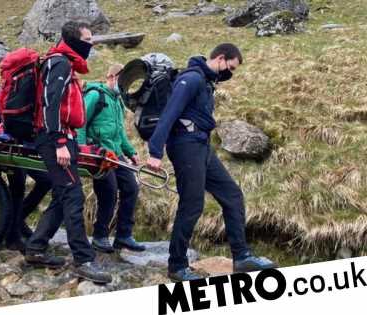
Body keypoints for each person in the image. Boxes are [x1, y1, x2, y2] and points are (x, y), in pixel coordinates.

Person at [145, 43, 276, 281]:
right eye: (231, 67)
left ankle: (242, 256)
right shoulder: (192, 79)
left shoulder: (206, 82)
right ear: (221, 59)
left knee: (232, 195)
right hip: (185, 147)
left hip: (202, 146)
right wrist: (155, 151)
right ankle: (176, 265)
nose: (230, 73)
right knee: (192, 204)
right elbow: (170, 113)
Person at [24, 21, 112, 284]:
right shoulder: (60, 63)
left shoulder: (64, 62)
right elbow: (51, 104)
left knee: (62, 197)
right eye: (88, 39)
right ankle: (83, 260)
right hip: (55, 140)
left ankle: (36, 248)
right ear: (74, 40)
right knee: (73, 197)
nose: (91, 43)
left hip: (63, 137)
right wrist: (60, 141)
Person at [76, 64, 145, 253]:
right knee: (108, 192)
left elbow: (120, 132)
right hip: (99, 154)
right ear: (112, 77)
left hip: (116, 154)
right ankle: (100, 236)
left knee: (131, 188)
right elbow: (80, 123)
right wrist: (82, 150)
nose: (123, 86)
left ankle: (123, 235)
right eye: (121, 81)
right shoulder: (95, 95)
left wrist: (131, 152)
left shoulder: (117, 101)